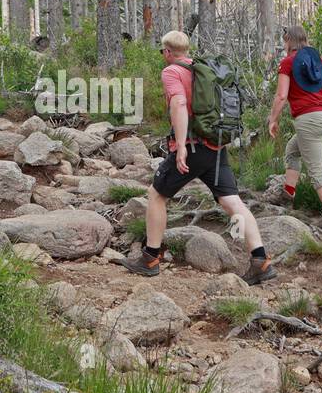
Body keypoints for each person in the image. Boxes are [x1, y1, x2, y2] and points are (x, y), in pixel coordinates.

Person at [117, 31, 277, 285]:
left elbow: (179, 104)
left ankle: (149, 258)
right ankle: (261, 260)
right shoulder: (203, 70)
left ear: (167, 52)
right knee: (232, 202)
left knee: (156, 195)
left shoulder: (171, 72)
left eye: (162, 52)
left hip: (192, 146)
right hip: (215, 146)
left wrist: (180, 146)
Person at [268, 24, 322, 232]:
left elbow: (281, 96)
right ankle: (288, 195)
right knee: (292, 149)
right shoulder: (319, 60)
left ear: (289, 41)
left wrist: (273, 119)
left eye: (285, 40)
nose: (284, 44)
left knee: (316, 169)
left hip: (308, 121)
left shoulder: (288, 62)